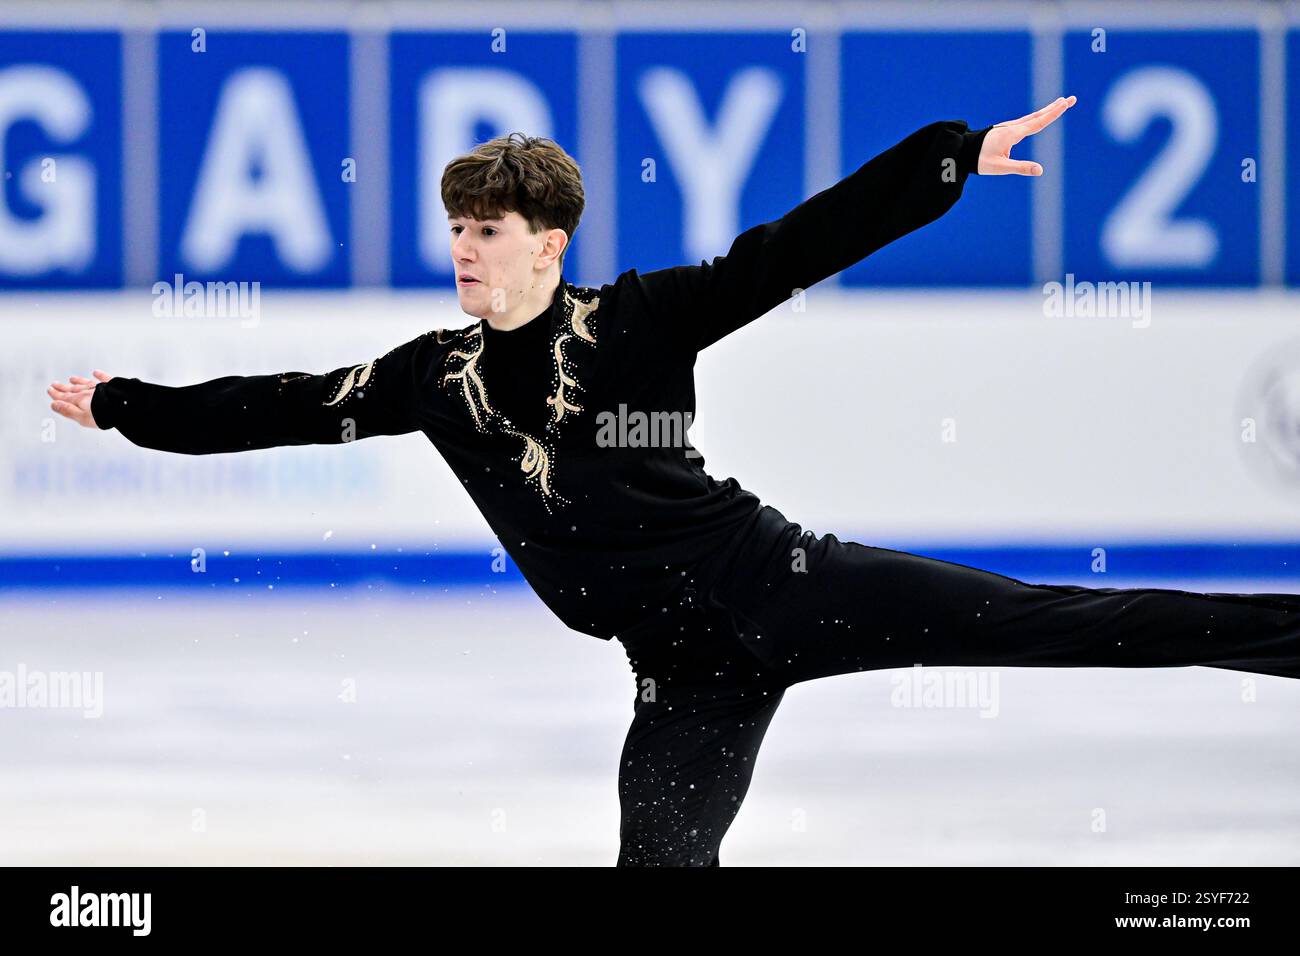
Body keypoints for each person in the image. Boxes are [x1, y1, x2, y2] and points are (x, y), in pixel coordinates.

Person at [48, 95, 1300, 866]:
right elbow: (281, 405)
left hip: (780, 584)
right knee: (658, 865)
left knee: (1062, 623)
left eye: (485, 232)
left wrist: (954, 155)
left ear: (548, 243)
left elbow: (792, 246)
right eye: (454, 231)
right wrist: (123, 406)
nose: (463, 252)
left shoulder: (639, 320)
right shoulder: (432, 374)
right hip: (682, 664)